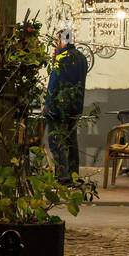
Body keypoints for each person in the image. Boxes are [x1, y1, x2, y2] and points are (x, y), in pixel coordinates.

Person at [45, 28, 90, 182]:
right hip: (76, 107)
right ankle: (73, 175)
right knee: (71, 142)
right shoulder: (82, 58)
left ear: (63, 41)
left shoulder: (62, 58)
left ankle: (62, 177)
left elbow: (54, 83)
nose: (56, 45)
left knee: (56, 141)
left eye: (57, 42)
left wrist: (48, 105)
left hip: (58, 108)